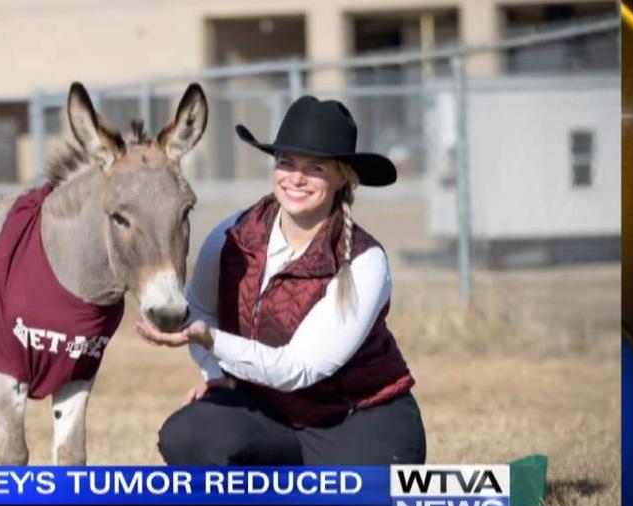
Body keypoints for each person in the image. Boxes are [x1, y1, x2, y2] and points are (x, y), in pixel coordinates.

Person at [135, 95, 425, 466]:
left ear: (342, 177)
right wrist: (216, 372)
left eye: (315, 168)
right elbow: (202, 309)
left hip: (357, 421)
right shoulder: (231, 237)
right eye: (285, 163)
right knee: (186, 437)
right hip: (269, 412)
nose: (296, 178)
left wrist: (212, 339)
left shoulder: (365, 262)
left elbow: (300, 367)